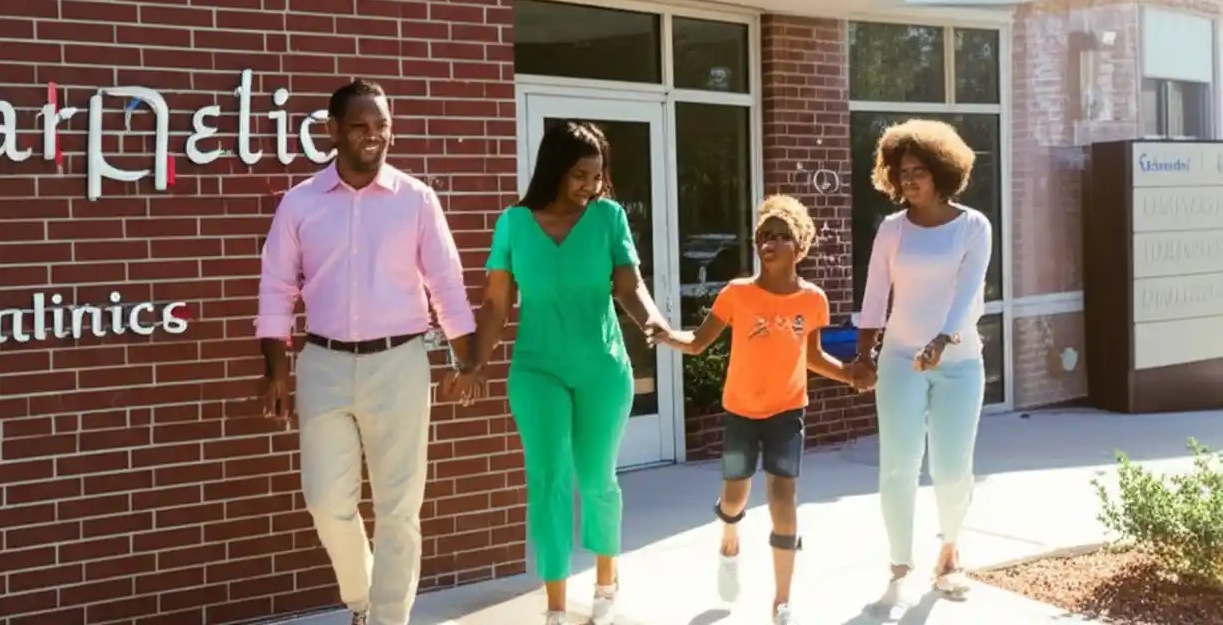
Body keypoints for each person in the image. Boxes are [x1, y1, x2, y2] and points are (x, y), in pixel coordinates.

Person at [254, 79, 479, 625]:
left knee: (399, 510)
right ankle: (360, 600)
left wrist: (466, 360)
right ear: (333, 131)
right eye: (360, 124)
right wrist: (276, 371)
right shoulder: (300, 203)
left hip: (400, 363)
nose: (373, 135)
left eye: (381, 125)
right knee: (325, 502)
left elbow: (445, 283)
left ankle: (385, 619)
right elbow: (276, 289)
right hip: (324, 363)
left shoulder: (417, 200)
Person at [443, 121, 671, 625]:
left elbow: (629, 286)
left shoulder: (609, 218)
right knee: (546, 480)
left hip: (602, 368)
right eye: (579, 175)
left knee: (595, 479)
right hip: (536, 368)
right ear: (554, 170)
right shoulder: (514, 224)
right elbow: (496, 305)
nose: (590, 185)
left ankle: (607, 584)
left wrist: (652, 320)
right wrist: (473, 363)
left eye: (596, 175)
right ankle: (554, 606)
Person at [649, 195, 869, 625]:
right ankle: (729, 539)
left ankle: (781, 601)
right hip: (741, 412)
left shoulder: (813, 300)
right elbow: (697, 343)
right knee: (735, 496)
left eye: (779, 236)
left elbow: (813, 357)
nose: (768, 243)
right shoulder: (737, 294)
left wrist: (851, 375)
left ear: (799, 246)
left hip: (788, 412)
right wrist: (665, 334)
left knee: (783, 497)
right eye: (763, 236)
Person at [852, 118, 993, 609]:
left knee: (952, 468)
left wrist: (941, 340)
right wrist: (864, 355)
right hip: (898, 360)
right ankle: (899, 560)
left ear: (941, 171)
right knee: (898, 465)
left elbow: (968, 294)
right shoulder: (892, 230)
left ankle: (949, 548)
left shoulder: (974, 227)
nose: (908, 179)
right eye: (900, 171)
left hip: (959, 364)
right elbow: (874, 297)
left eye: (918, 170)